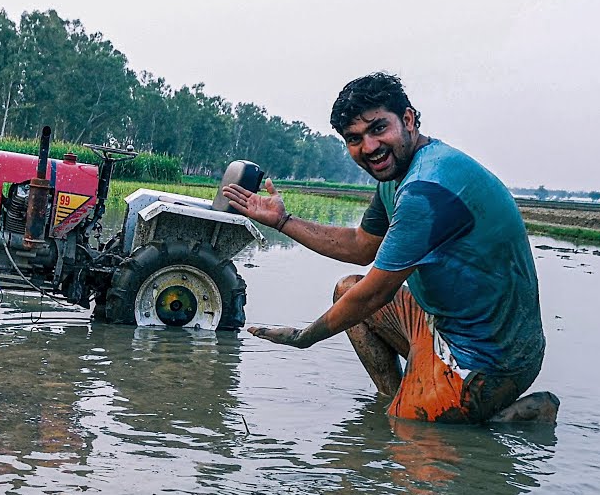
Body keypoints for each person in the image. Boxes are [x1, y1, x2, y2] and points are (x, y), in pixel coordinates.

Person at [220, 73, 557, 423]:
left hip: (488, 359)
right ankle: (399, 397)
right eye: (355, 139)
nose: (369, 147)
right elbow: (361, 246)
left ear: (408, 120)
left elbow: (374, 295)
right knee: (346, 290)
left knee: (407, 434)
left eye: (379, 128)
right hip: (442, 323)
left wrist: (304, 337)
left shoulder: (426, 189)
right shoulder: (397, 177)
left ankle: (498, 417)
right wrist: (282, 221)